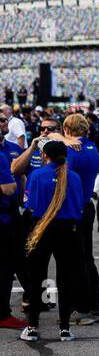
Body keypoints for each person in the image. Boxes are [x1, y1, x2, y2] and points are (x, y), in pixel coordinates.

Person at [19, 140, 84, 341]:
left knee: (37, 277)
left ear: (45, 156)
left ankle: (32, 327)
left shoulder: (36, 175)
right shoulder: (73, 177)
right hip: (68, 230)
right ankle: (65, 328)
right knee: (66, 277)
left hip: (42, 228)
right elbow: (80, 206)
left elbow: (29, 204)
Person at [60, 114, 99, 325]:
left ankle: (83, 309)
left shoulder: (71, 152)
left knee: (76, 260)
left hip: (73, 208)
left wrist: (63, 141)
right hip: (86, 205)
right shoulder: (92, 148)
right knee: (87, 259)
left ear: (67, 130)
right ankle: (94, 305)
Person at [0, 141, 22, 329]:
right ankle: (2, 314)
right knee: (5, 267)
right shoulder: (0, 157)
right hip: (3, 219)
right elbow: (8, 188)